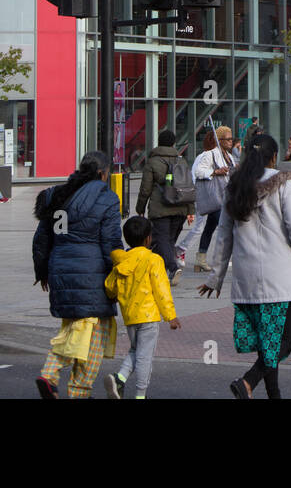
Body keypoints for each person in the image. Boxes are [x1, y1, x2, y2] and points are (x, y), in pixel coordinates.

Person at [200, 134, 291, 399]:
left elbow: (223, 234)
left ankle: (274, 394)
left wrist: (215, 277)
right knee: (284, 341)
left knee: (267, 342)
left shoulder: (235, 185)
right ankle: (247, 382)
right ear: (273, 156)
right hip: (282, 279)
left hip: (247, 278)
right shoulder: (284, 183)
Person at [32, 151, 123, 399]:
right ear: (103, 173)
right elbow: (111, 242)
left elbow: (42, 238)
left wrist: (43, 270)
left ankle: (74, 387)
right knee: (93, 332)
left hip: (60, 268)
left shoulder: (58, 194)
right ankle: (57, 376)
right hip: (90, 273)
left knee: (76, 327)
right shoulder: (106, 198)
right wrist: (119, 274)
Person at [103, 215, 180, 399]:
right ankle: (140, 394)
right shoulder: (154, 260)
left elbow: (109, 287)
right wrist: (170, 316)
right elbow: (162, 290)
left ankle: (119, 378)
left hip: (130, 317)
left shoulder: (122, 261)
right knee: (144, 357)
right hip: (148, 317)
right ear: (148, 238)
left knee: (135, 351)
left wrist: (115, 296)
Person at [134, 130, 195, 286]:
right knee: (167, 241)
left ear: (159, 142)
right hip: (180, 207)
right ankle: (159, 269)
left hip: (160, 208)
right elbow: (188, 187)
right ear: (174, 143)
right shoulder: (181, 161)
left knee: (161, 240)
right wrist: (190, 211)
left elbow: (145, 189)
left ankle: (172, 268)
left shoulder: (153, 162)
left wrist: (140, 208)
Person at [181, 126, 234, 273]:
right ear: (220, 140)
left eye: (231, 139)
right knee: (224, 225)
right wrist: (216, 172)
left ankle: (201, 259)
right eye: (228, 139)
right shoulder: (210, 155)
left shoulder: (228, 156)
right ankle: (221, 258)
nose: (231, 141)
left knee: (209, 228)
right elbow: (198, 172)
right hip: (215, 197)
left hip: (224, 196)